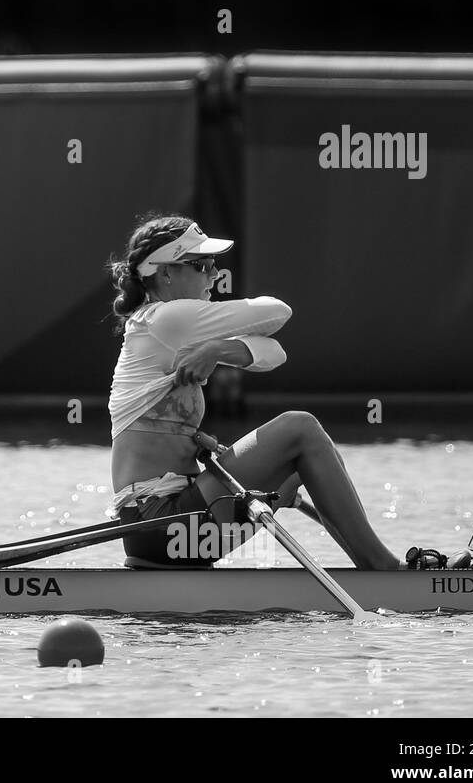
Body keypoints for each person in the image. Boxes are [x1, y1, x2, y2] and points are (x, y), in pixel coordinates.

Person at [106, 212, 406, 570]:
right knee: (301, 427)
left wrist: (217, 349)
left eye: (213, 264)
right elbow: (278, 312)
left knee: (302, 466)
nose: (214, 274)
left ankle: (374, 569)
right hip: (161, 526)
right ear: (166, 272)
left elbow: (274, 354)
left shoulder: (163, 327)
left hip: (171, 531)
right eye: (202, 264)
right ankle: (383, 568)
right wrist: (218, 348)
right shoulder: (166, 320)